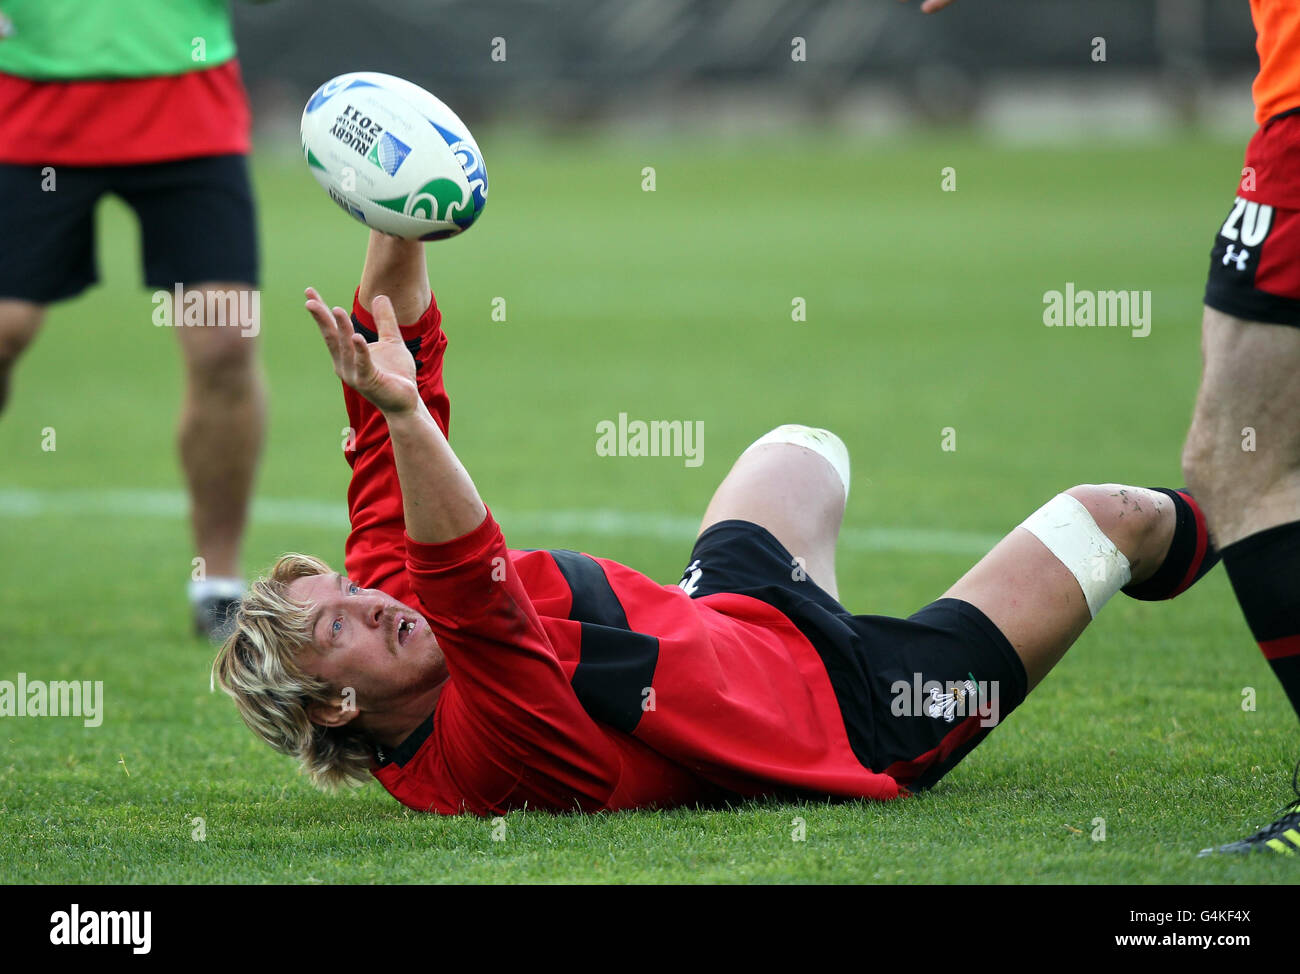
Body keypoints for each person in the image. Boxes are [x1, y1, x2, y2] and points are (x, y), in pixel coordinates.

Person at [214, 232, 1219, 815]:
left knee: (801, 445)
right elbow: (463, 567)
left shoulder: (396, 609)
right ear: (334, 706)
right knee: (1111, 518)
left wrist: (398, 209)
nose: (369, 592)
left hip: (734, 622)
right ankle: (1246, 539)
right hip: (852, 714)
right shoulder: (481, 750)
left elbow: (399, 355)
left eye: (347, 585)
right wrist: (402, 415)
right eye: (338, 621)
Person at [0, 0, 270, 640]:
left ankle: (219, 585)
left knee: (225, 341)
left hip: (187, 100)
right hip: (30, 101)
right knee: (4, 332)